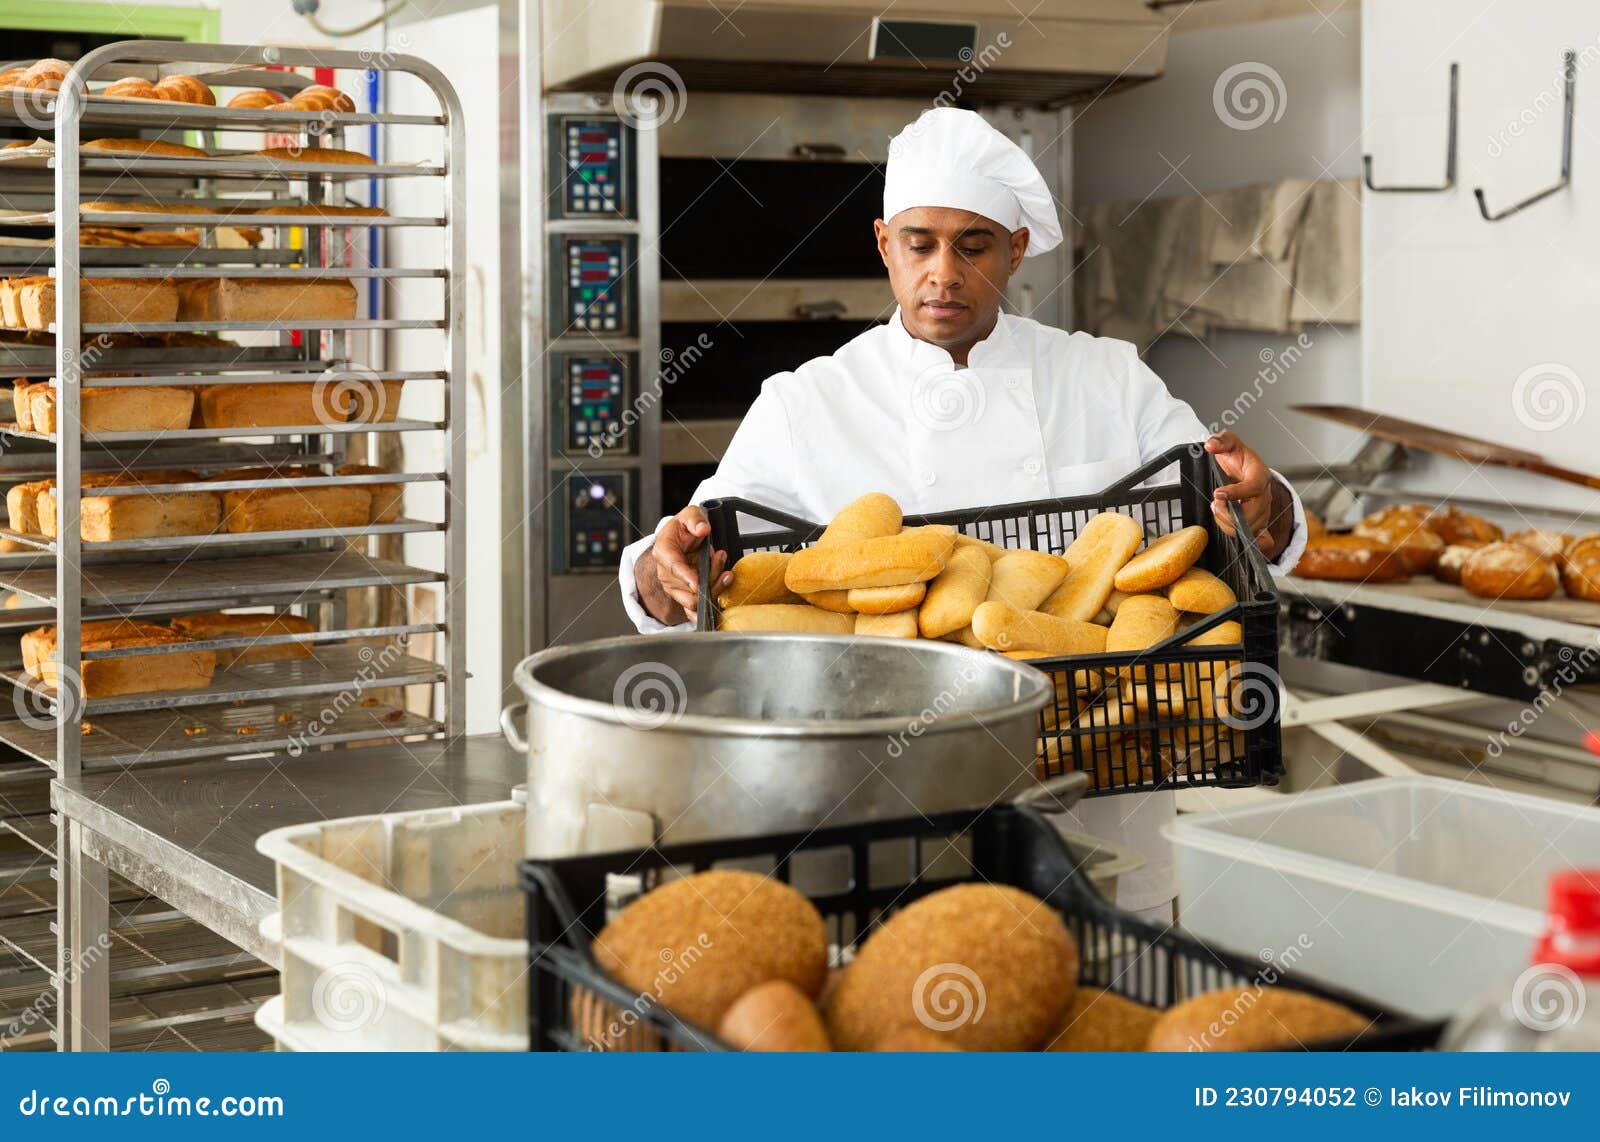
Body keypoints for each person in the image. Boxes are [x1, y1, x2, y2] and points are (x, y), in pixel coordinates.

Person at [618, 107, 1305, 920]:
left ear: (1015, 250)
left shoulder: (1107, 380)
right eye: (920, 244)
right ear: (884, 245)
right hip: (883, 818)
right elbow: (689, 568)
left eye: (973, 246)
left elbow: (1238, 520)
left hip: (1102, 815)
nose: (943, 272)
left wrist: (1269, 507)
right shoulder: (807, 403)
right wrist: (663, 575)